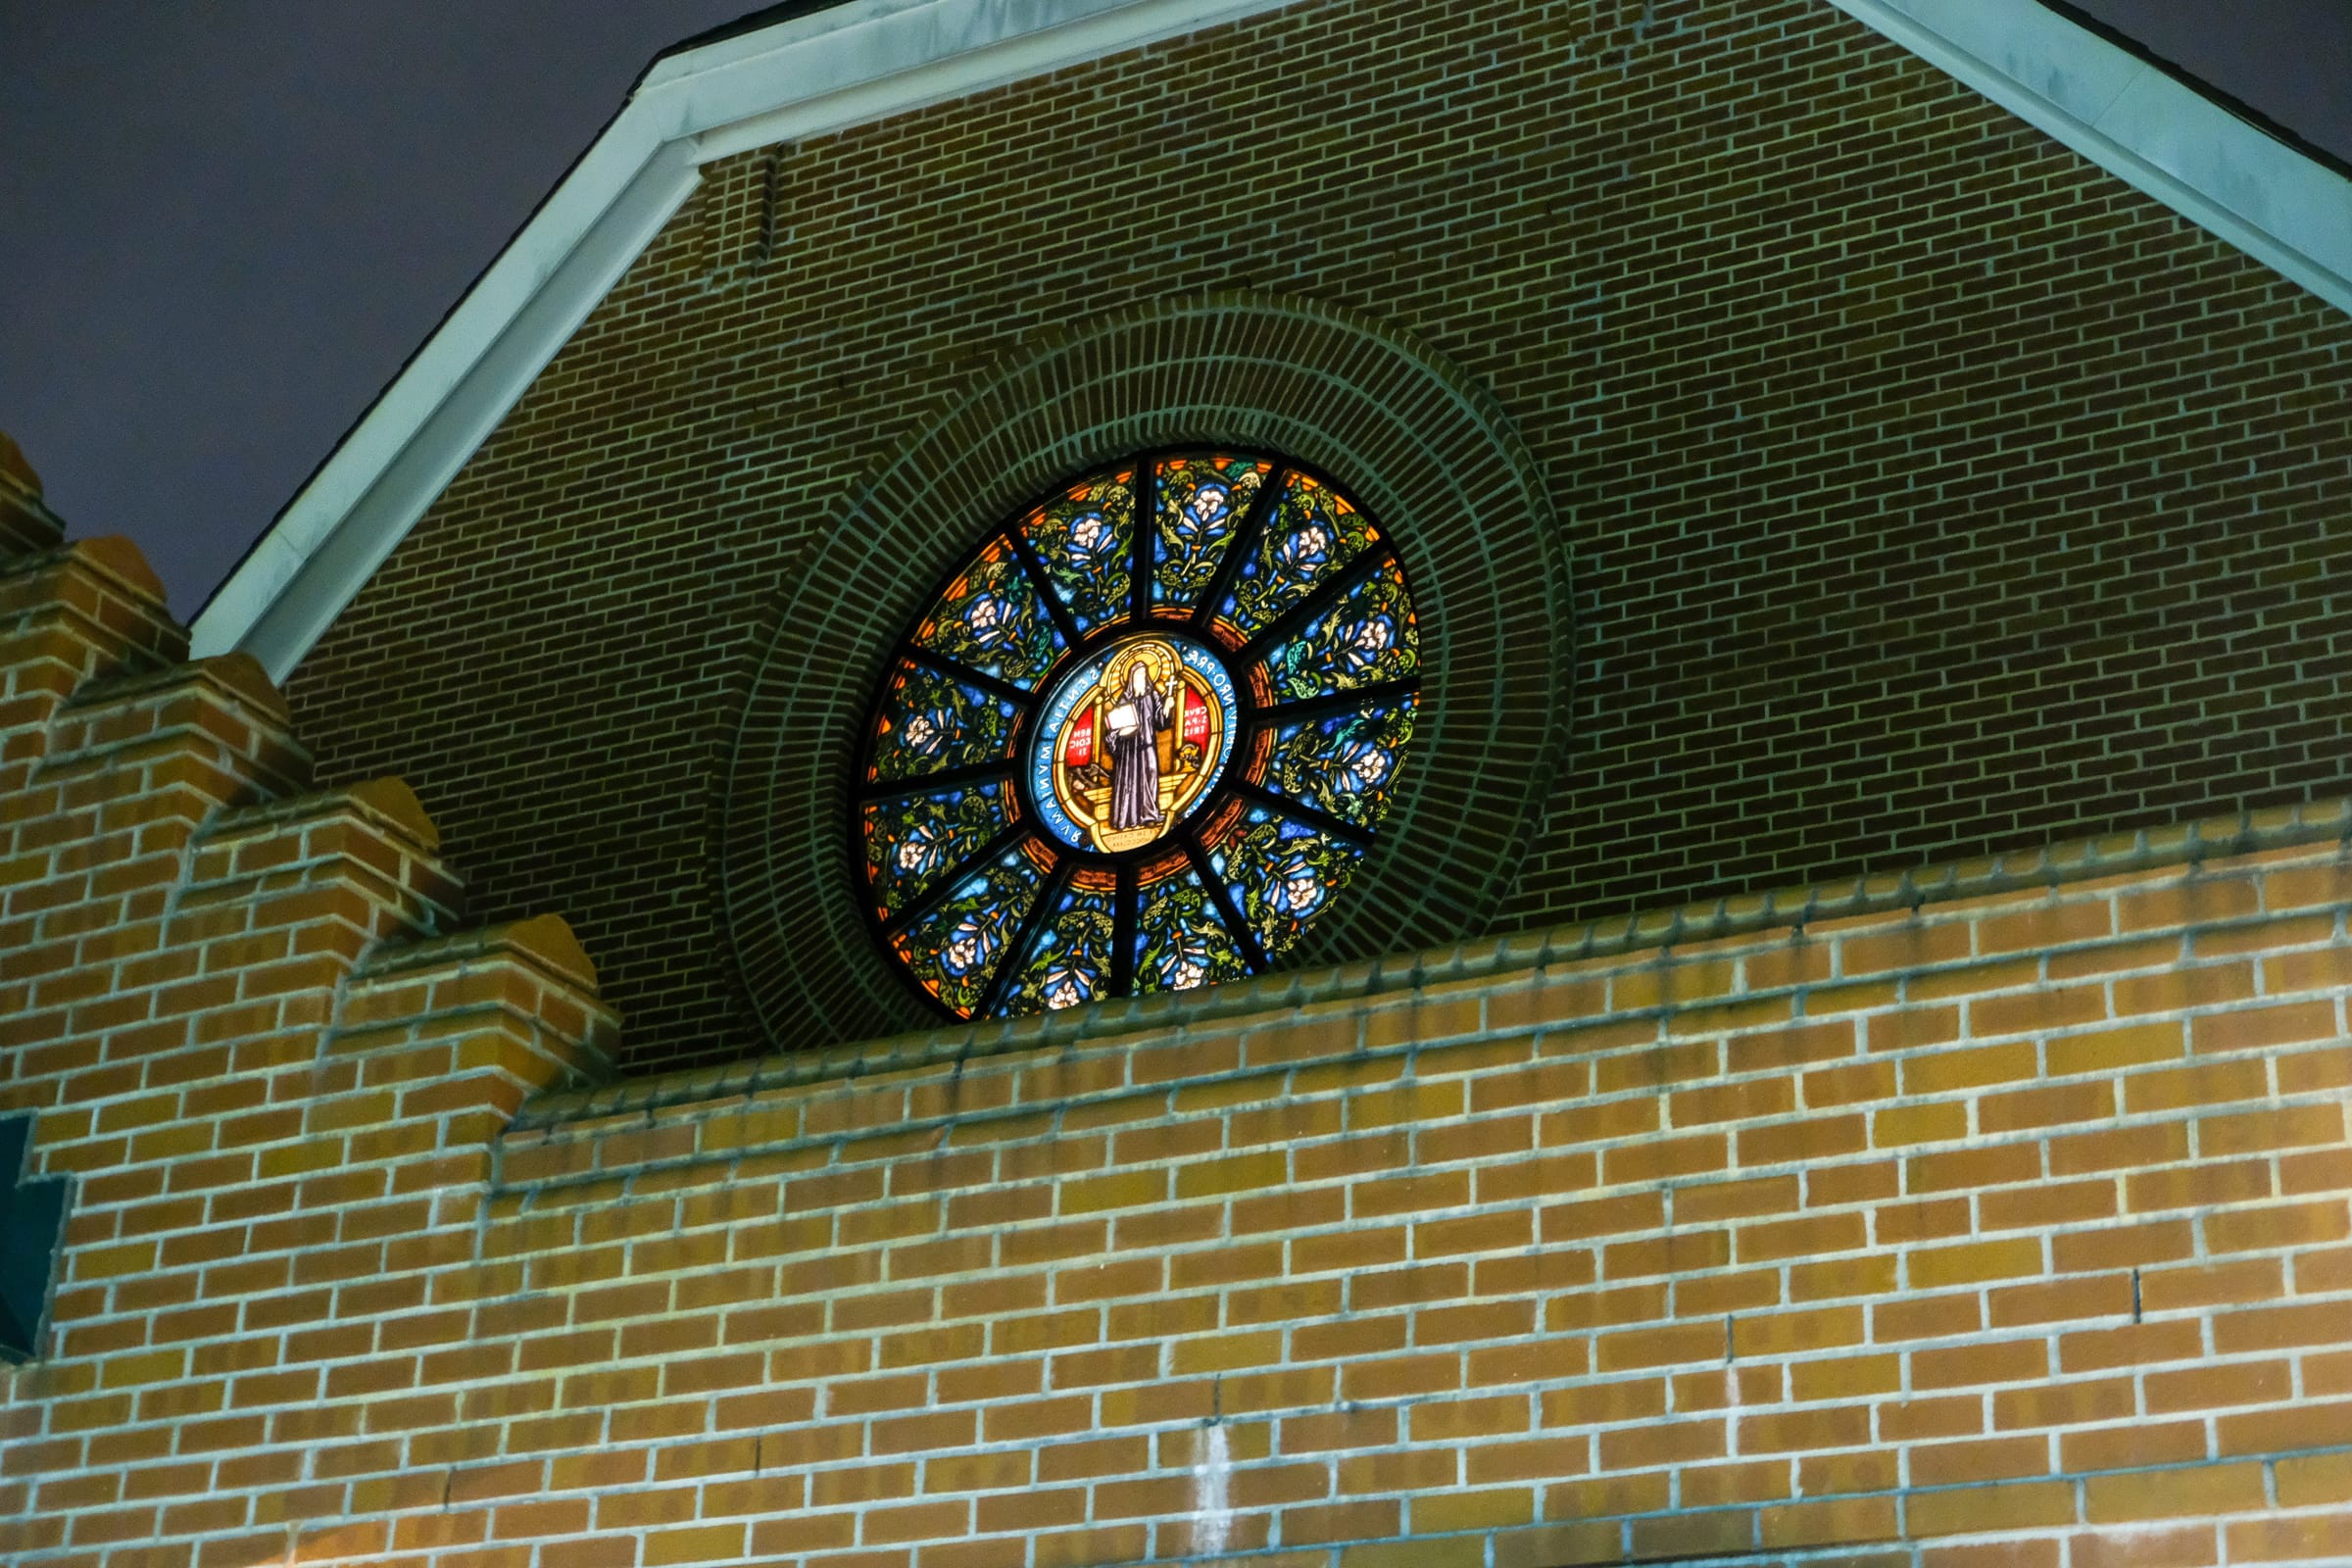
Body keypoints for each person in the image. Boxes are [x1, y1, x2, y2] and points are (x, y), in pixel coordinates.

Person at [1104, 661, 1171, 832]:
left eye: (1143, 674)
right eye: (1137, 675)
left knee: (1150, 774)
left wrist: (1167, 708)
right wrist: (1119, 732)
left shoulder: (1152, 696)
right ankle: (1128, 817)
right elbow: (1113, 726)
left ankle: (1149, 814)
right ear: (1131, 678)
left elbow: (1160, 722)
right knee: (1129, 780)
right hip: (1129, 749)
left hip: (1147, 743)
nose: (1140, 677)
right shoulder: (1124, 699)